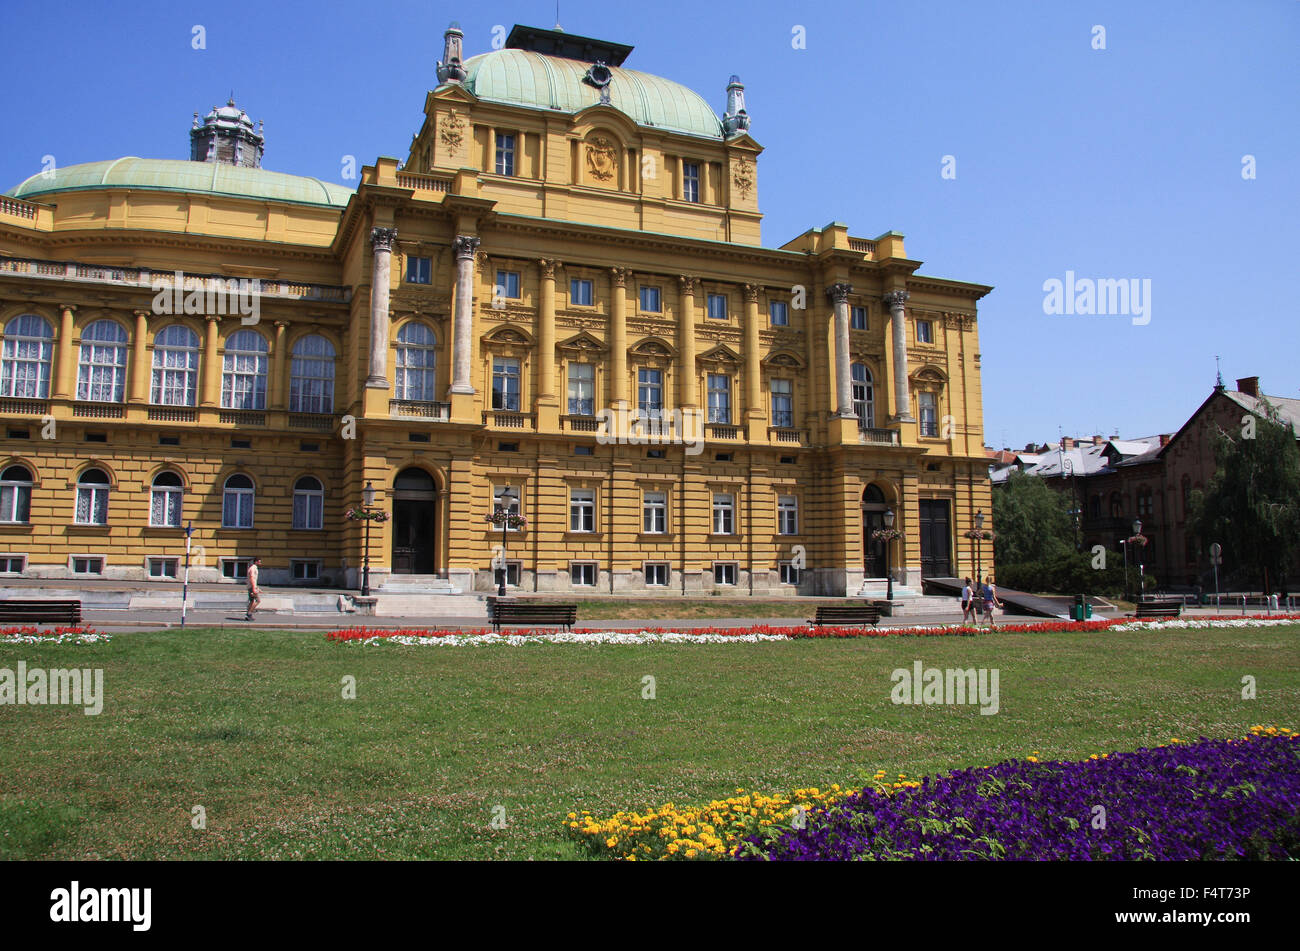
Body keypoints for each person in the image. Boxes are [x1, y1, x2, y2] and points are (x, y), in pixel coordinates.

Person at [245, 557, 262, 621]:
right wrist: (254, 588)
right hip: (252, 587)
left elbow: (254, 579)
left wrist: (257, 587)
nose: (260, 563)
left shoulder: (253, 568)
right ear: (256, 562)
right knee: (258, 601)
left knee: (252, 601)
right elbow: (252, 578)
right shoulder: (253, 568)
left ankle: (248, 614)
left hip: (252, 587)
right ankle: (249, 613)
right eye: (259, 561)